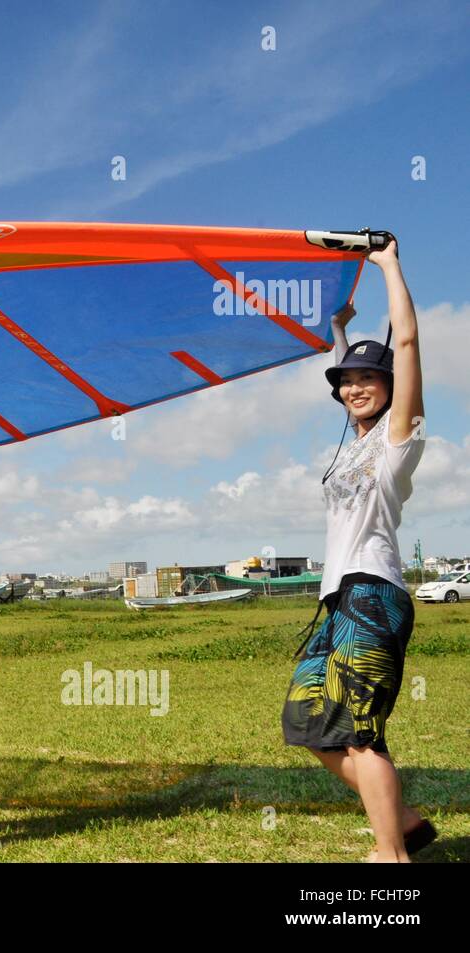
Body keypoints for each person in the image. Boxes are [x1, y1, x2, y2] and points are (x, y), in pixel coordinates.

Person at [281, 239, 435, 862]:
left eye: (368, 379)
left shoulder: (400, 440)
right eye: (347, 382)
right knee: (307, 720)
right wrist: (340, 329)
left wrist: (389, 264)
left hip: (373, 592)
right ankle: (407, 824)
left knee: (358, 733)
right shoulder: (353, 441)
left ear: (392, 387)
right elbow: (346, 372)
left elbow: (407, 342)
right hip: (338, 597)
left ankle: (390, 855)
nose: (355, 388)